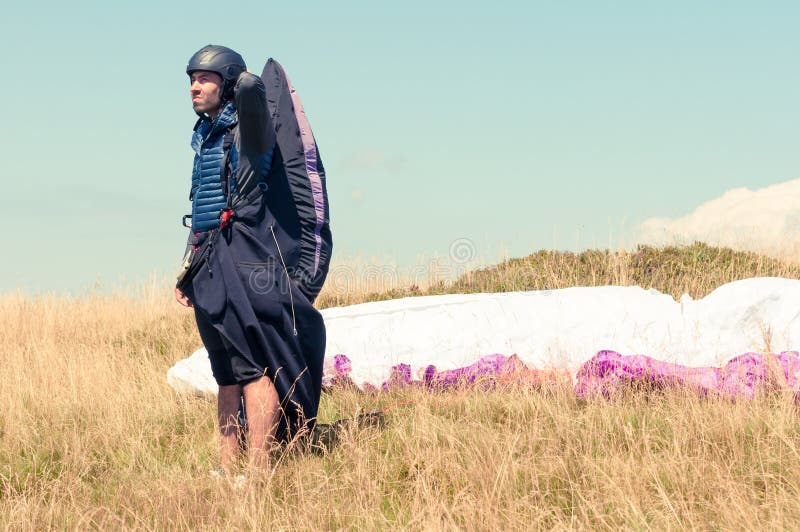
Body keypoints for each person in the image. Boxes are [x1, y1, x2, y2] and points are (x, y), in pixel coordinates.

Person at [174, 45, 332, 475]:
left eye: (205, 78)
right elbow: (201, 208)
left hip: (243, 257)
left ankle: (260, 470)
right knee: (224, 371)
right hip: (207, 257)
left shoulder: (250, 133)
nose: (194, 86)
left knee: (253, 368)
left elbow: (252, 90)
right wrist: (186, 270)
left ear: (225, 84)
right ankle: (228, 467)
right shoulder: (204, 139)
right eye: (191, 78)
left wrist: (238, 77)